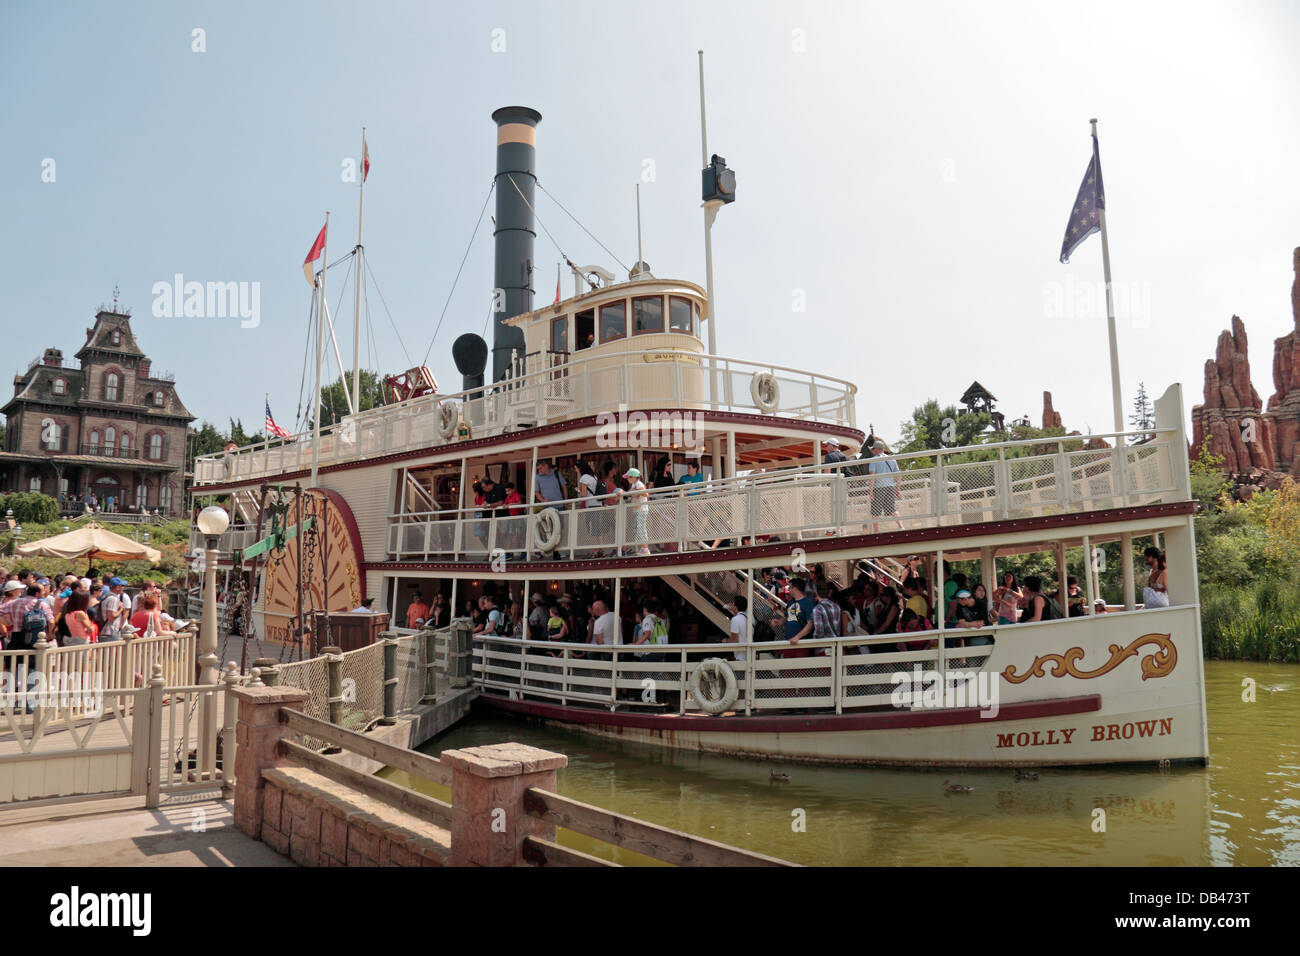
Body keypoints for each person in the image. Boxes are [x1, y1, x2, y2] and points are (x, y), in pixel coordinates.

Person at [866, 439, 901, 528]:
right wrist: (897, 489)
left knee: (875, 512)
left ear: (876, 449)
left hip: (878, 488)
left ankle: (876, 531)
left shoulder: (873, 460)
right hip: (890, 487)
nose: (873, 451)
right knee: (893, 510)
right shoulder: (892, 459)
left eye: (873, 449)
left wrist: (871, 492)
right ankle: (901, 527)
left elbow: (872, 477)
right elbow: (899, 475)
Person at [617, 467, 651, 556]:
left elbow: (645, 493)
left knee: (640, 528)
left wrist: (635, 492)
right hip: (637, 510)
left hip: (641, 510)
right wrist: (623, 493)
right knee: (637, 529)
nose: (627, 479)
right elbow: (627, 493)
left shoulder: (638, 484)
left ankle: (645, 549)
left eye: (628, 477)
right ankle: (643, 548)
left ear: (633, 477)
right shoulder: (634, 485)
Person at [98, 577, 130, 642]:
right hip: (110, 632)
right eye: (122, 586)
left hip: (105, 631)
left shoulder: (106, 596)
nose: (123, 588)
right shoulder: (113, 599)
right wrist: (121, 609)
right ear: (117, 587)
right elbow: (111, 617)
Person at [728, 595, 749, 663]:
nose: (730, 604)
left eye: (732, 602)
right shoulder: (750, 618)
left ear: (735, 606)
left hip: (740, 658)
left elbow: (734, 640)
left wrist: (725, 641)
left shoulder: (735, 619)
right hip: (749, 655)